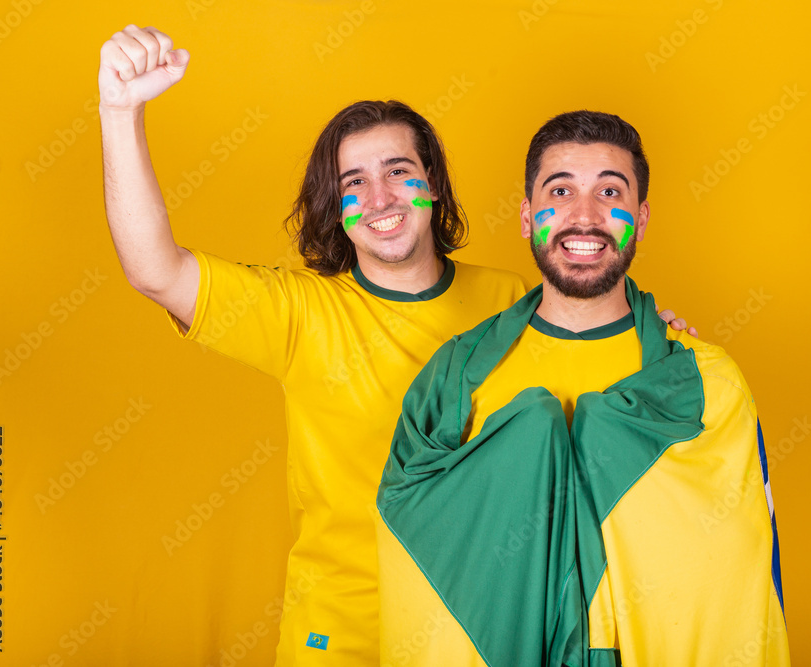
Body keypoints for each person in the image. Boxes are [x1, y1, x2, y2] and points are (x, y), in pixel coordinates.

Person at [98, 24, 699, 666]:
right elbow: (154, 270)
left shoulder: (509, 300)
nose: (379, 197)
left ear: (432, 184)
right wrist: (120, 111)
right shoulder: (301, 311)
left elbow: (588, 399)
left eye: (398, 171)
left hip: (476, 632)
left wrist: (646, 335)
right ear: (336, 205)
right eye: (353, 182)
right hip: (340, 639)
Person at [377, 111, 790, 666]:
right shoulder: (455, 379)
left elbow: (739, 586)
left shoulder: (701, 384)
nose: (585, 216)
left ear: (640, 219)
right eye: (561, 190)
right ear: (527, 217)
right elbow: (415, 544)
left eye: (610, 192)